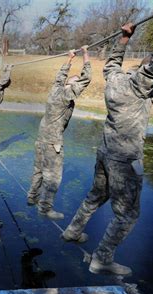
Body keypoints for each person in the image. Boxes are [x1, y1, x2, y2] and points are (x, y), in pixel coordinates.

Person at [62, 5, 153, 276]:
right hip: (125, 159)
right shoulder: (139, 84)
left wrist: (124, 39)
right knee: (128, 214)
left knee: (97, 195)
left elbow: (111, 63)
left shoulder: (116, 80)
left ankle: (72, 231)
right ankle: (101, 258)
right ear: (150, 76)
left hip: (106, 152)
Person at [27, 47, 91, 220]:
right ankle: (45, 208)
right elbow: (87, 79)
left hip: (41, 139)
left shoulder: (56, 89)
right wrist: (85, 54)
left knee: (38, 170)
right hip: (52, 142)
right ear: (73, 86)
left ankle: (32, 197)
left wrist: (70, 58)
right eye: (76, 83)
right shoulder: (67, 95)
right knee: (53, 177)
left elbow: (59, 77)